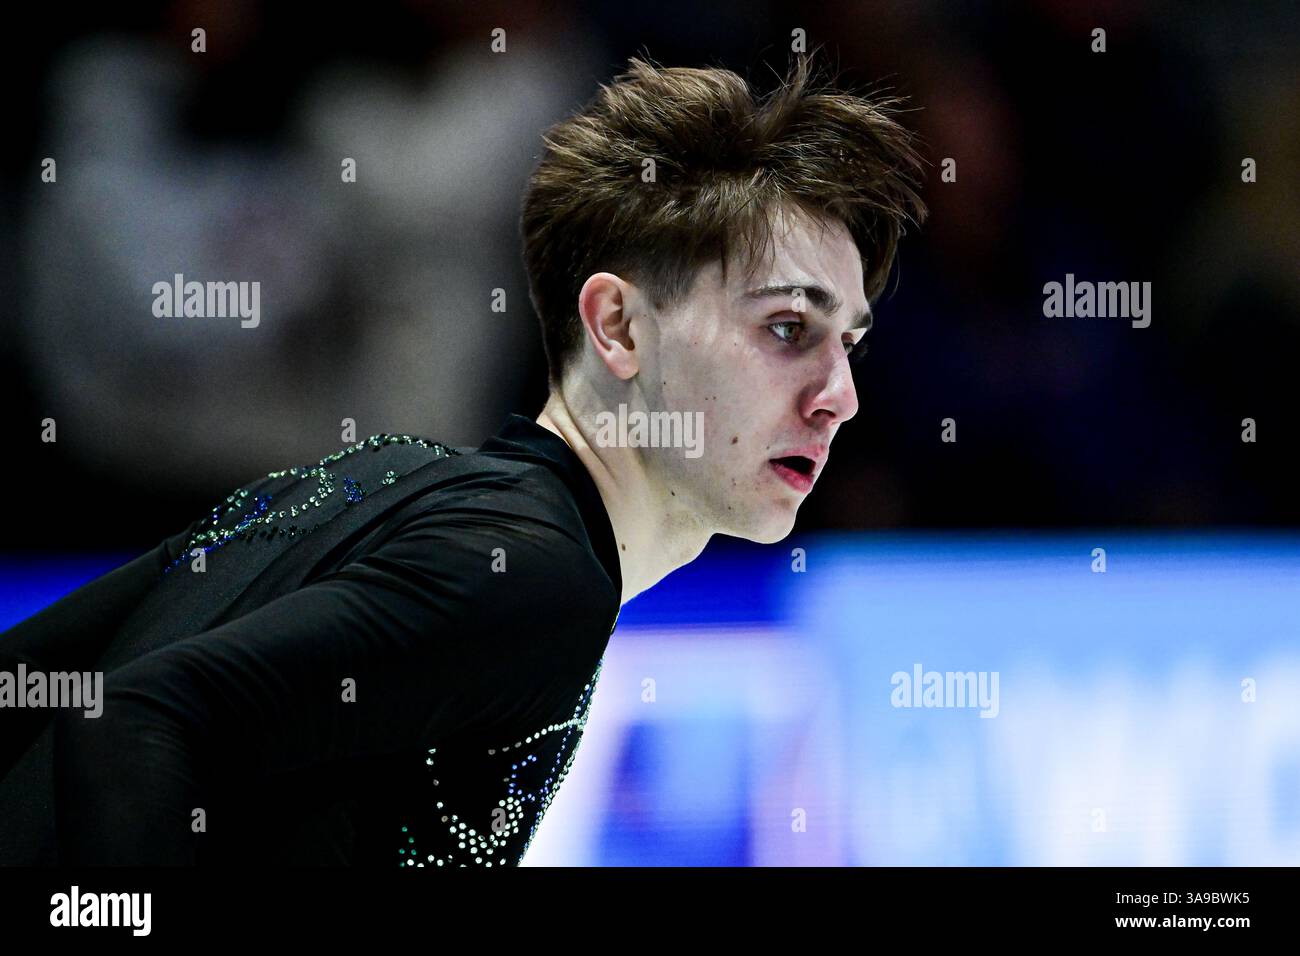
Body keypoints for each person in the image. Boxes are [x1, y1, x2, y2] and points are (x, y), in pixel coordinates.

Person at [0, 52, 926, 866]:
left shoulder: (391, 476)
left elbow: (37, 678)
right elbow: (127, 717)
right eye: (786, 328)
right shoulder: (530, 575)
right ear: (618, 326)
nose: (838, 394)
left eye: (849, 341)